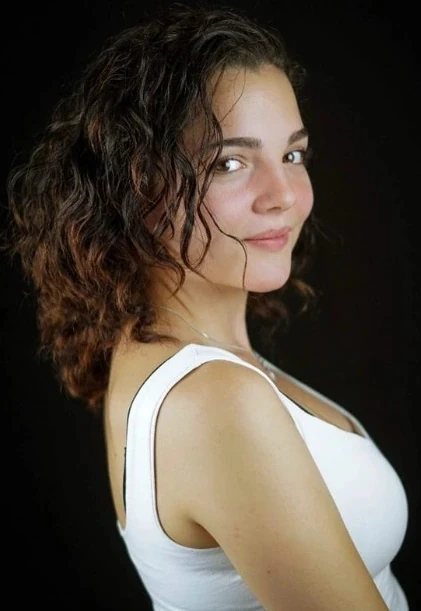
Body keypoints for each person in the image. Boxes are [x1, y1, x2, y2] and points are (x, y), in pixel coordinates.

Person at [5, 3, 409, 609]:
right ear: (137, 185)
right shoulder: (214, 400)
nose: (284, 195)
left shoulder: (179, 360)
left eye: (293, 155)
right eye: (230, 162)